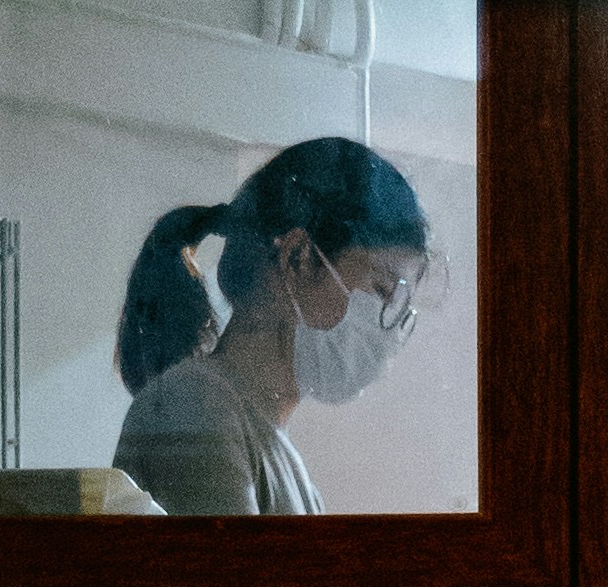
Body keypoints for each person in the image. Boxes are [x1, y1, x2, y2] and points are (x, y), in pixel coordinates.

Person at [113, 138, 432, 521]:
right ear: (298, 259)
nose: (390, 328)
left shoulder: (276, 450)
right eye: (381, 289)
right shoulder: (195, 407)